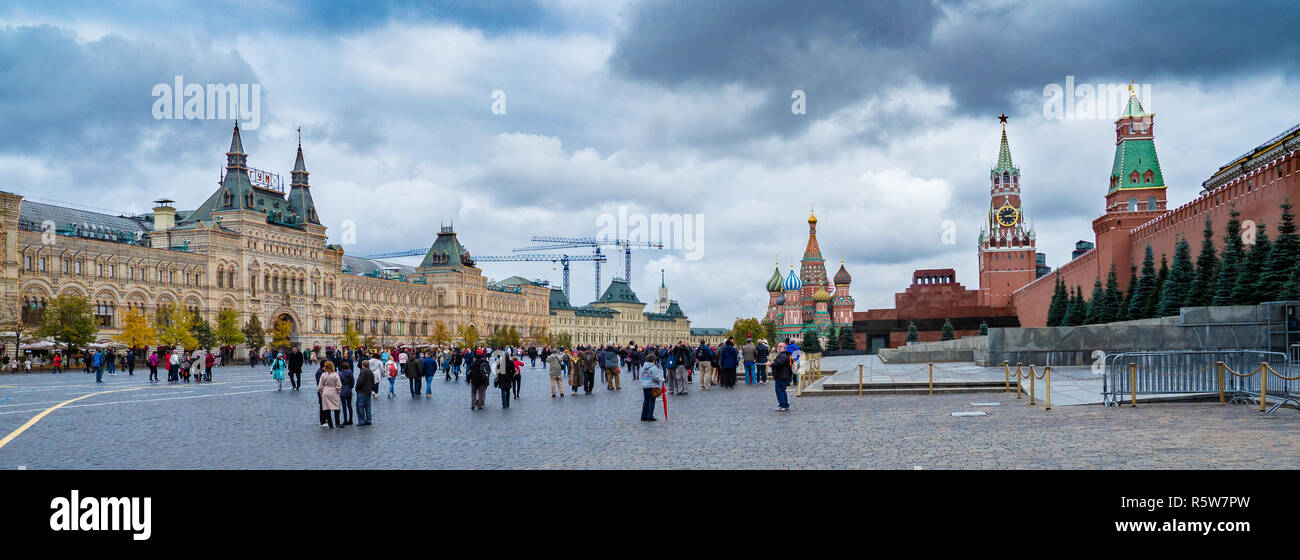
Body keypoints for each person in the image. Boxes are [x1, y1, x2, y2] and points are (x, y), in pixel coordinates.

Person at [640, 351, 665, 421]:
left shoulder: (644, 367)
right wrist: (661, 379)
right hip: (651, 386)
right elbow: (656, 378)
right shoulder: (653, 367)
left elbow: (641, 376)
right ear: (653, 360)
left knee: (646, 400)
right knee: (652, 401)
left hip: (645, 385)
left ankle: (643, 415)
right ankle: (650, 416)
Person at [769, 342, 793, 412]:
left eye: (781, 346)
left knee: (780, 391)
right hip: (782, 375)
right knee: (782, 391)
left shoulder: (783, 355)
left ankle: (782, 405)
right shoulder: (783, 354)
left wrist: (771, 364)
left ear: (784, 348)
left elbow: (778, 363)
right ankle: (785, 405)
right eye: (778, 346)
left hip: (781, 376)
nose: (778, 347)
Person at [318, 360, 342, 428]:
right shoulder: (335, 375)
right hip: (334, 392)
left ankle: (330, 424)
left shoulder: (323, 375)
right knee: (336, 408)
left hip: (325, 392)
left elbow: (320, 386)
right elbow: (339, 385)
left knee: (327, 409)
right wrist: (338, 392)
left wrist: (322, 393)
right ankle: (337, 423)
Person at [354, 360, 375, 426]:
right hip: (368, 391)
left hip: (362, 391)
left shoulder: (363, 372)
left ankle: (362, 421)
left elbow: (360, 382)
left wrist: (357, 388)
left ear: (363, 365)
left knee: (360, 406)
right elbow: (373, 381)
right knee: (368, 406)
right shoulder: (370, 371)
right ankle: (369, 420)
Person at [337, 361, 355, 426]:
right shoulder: (351, 373)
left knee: (344, 406)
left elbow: (338, 383)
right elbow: (353, 382)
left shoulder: (340, 374)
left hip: (342, 390)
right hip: (349, 390)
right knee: (349, 405)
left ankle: (345, 419)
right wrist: (350, 387)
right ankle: (351, 419)